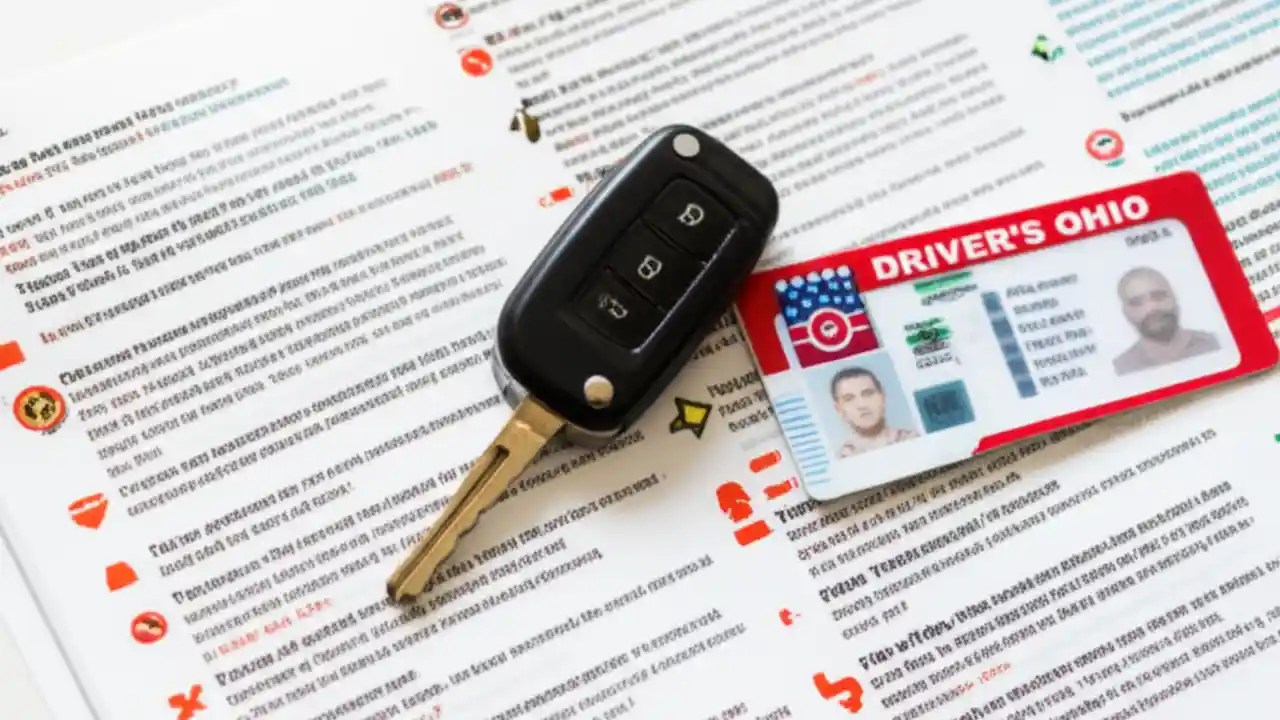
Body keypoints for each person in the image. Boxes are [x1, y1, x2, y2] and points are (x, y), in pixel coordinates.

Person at [1112, 267, 1219, 375]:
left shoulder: (1214, 344)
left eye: (1159, 296)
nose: (1152, 307)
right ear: (1126, 313)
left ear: (1174, 298)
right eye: (1137, 302)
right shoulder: (1122, 368)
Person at [830, 367, 918, 457]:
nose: (862, 405)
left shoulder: (913, 439)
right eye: (849, 399)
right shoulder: (843, 458)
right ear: (839, 409)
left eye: (868, 394)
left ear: (882, 396)